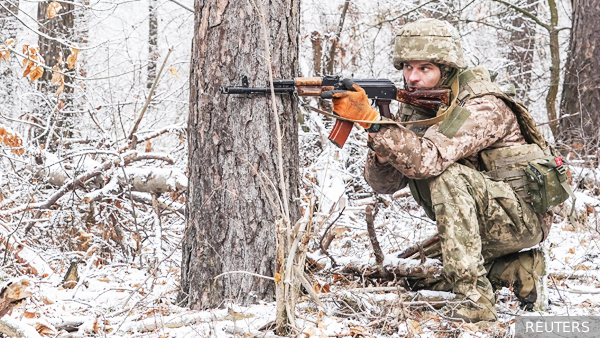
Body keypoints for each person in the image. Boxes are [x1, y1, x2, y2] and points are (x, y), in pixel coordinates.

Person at [325, 18, 555, 322]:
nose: (413, 78)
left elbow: (428, 160)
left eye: (424, 69)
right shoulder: (420, 107)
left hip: (520, 219)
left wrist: (375, 123)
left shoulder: (481, 106)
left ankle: (476, 302)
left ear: (446, 69)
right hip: (478, 220)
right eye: (408, 67)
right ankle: (520, 270)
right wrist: (381, 145)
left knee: (445, 174)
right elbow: (385, 184)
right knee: (408, 272)